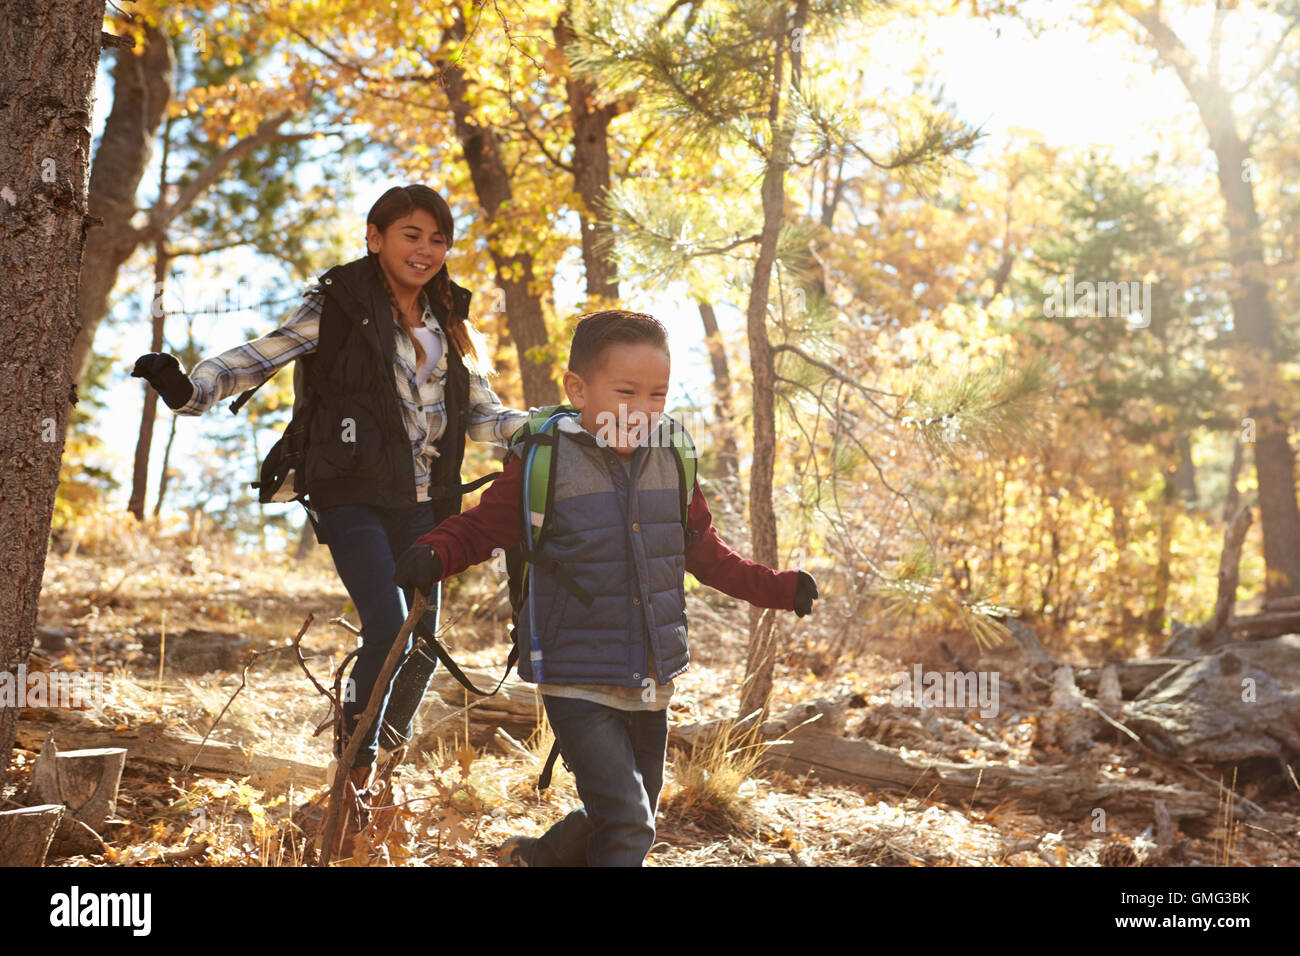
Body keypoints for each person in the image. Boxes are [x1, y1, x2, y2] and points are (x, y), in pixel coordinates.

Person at [131, 185, 533, 824]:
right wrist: (189, 390)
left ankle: (377, 774)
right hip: (352, 498)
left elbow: (486, 416)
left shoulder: (450, 322)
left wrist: (555, 426)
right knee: (387, 624)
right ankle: (352, 776)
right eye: (410, 234)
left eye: (437, 239)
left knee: (420, 644)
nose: (425, 250)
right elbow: (257, 357)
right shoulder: (339, 308)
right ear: (375, 237)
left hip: (428, 505)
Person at [393, 310, 819, 866]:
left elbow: (706, 554)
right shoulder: (545, 459)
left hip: (652, 673)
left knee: (621, 810)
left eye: (657, 394)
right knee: (629, 825)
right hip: (576, 673)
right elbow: (484, 526)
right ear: (578, 388)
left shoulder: (673, 457)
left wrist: (779, 588)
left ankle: (534, 859)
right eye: (625, 391)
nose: (642, 409)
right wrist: (435, 552)